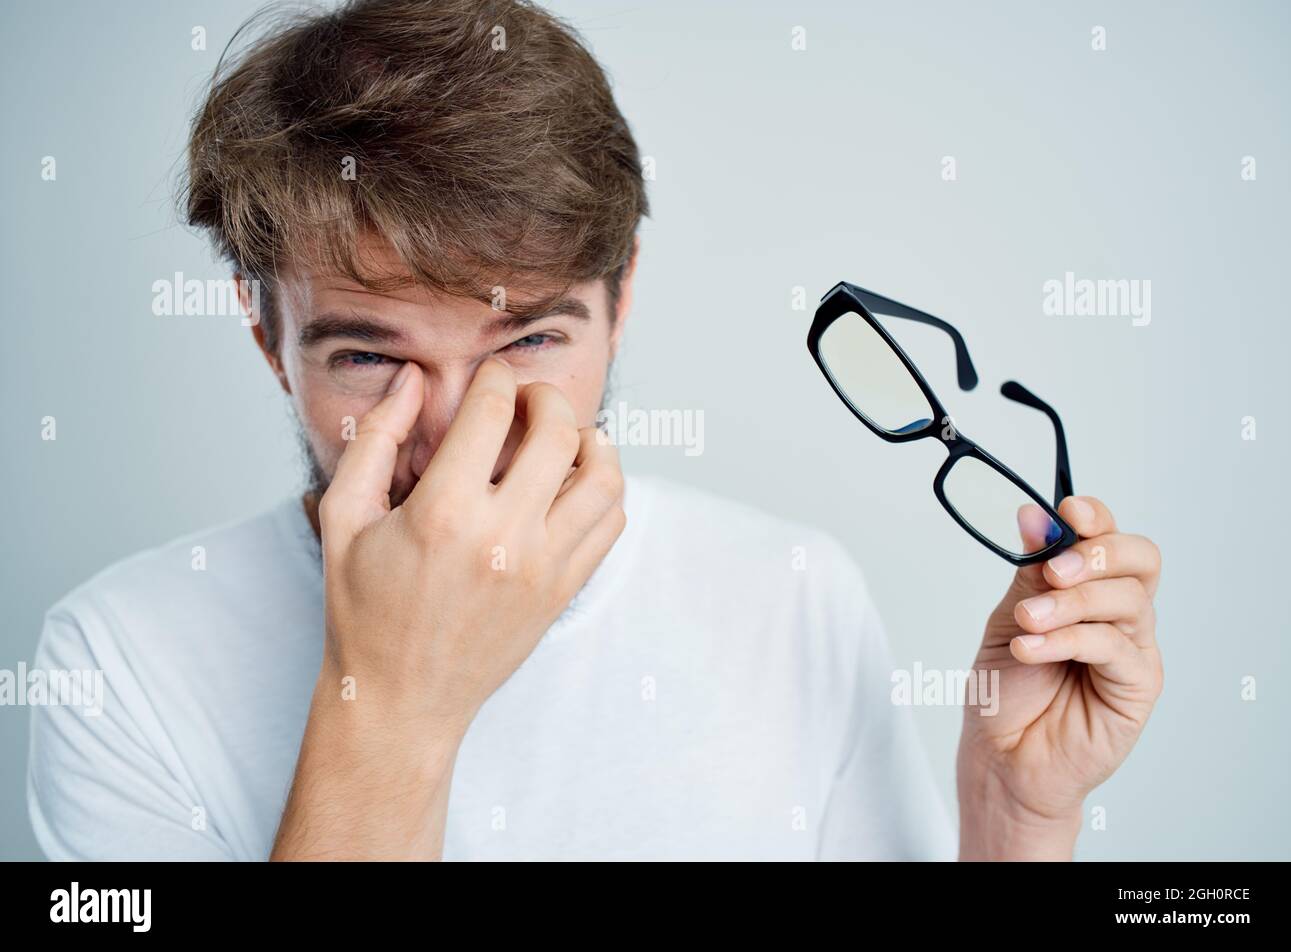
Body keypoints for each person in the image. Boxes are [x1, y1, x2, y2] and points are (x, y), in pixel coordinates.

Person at [27, 0, 1162, 861]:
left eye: (526, 343)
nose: (468, 436)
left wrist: (1014, 816)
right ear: (267, 335)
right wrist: (398, 707)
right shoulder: (116, 666)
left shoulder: (795, 596)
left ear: (621, 302)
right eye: (370, 356)